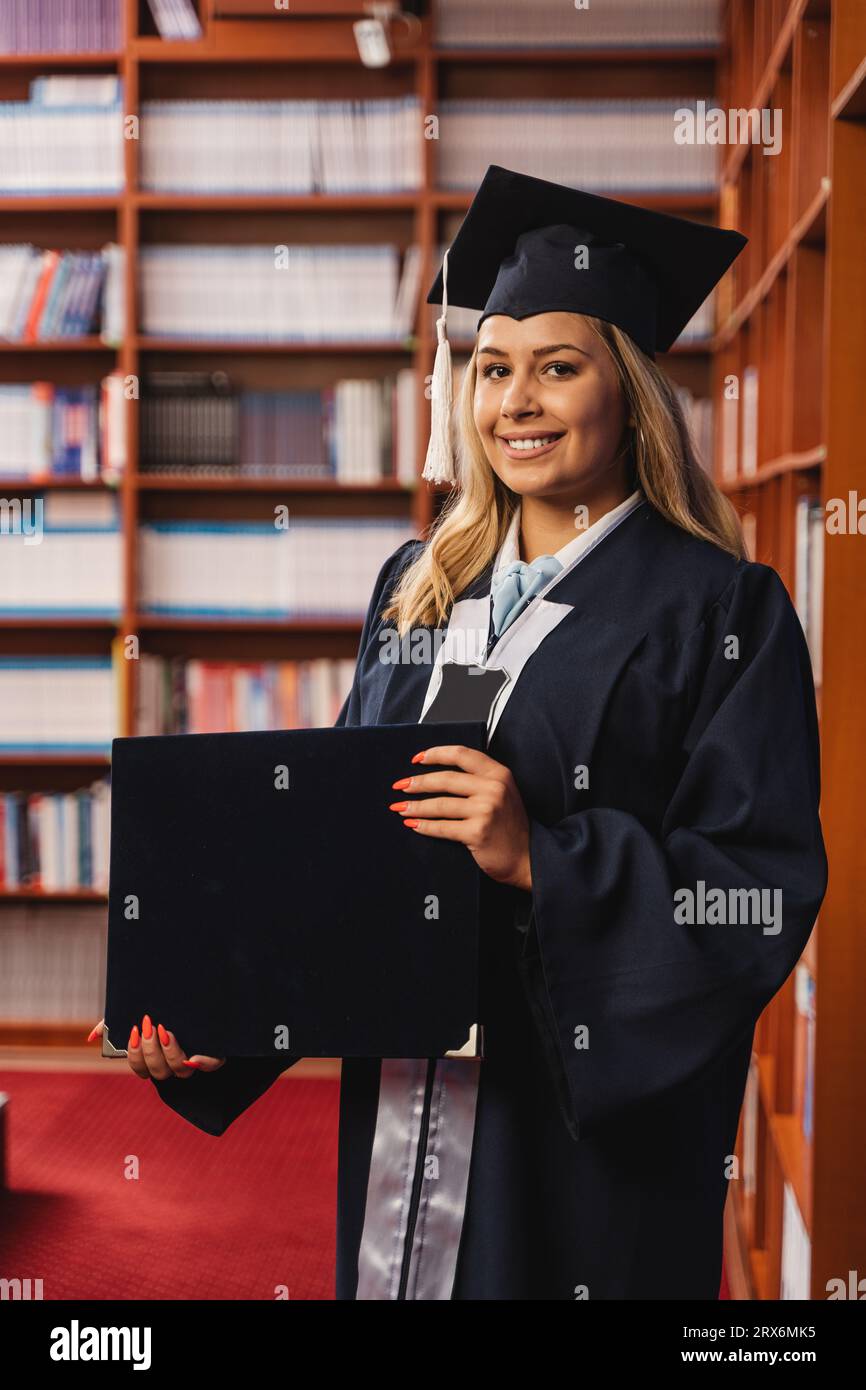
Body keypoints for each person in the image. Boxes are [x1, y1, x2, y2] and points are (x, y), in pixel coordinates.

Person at [91, 165, 827, 1300]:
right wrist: (221, 1022)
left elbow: (754, 882)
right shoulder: (418, 587)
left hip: (573, 1147)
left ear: (628, 392)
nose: (514, 402)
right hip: (401, 1099)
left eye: (557, 367)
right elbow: (335, 849)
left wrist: (545, 856)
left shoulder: (720, 613)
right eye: (491, 369)